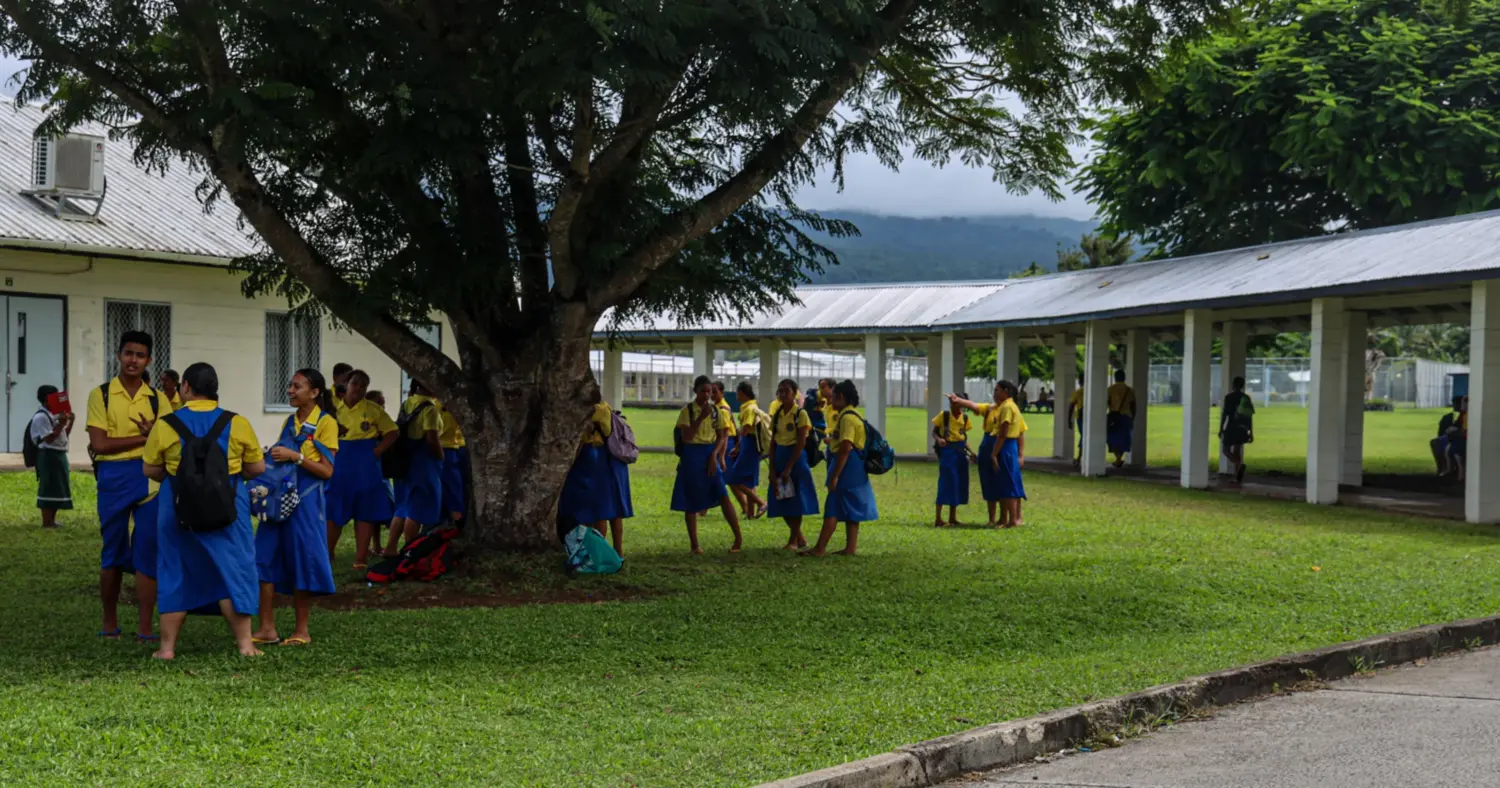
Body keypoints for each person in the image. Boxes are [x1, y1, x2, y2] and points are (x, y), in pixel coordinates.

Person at [141, 363, 266, 659]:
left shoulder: (166, 423)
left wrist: (181, 479)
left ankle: (167, 648)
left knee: (174, 569)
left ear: (185, 387)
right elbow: (257, 467)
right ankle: (246, 645)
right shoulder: (237, 423)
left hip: (177, 505)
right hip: (228, 505)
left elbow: (150, 468)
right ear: (215, 390)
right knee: (235, 570)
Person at [87, 330, 170, 642]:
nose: (133, 360)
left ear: (148, 360)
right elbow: (100, 444)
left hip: (149, 476)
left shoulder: (158, 399)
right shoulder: (102, 394)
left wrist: (154, 439)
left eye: (140, 355)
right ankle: (109, 622)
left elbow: (167, 443)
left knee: (148, 549)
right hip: (112, 477)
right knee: (112, 552)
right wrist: (146, 437)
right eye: (128, 353)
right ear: (118, 355)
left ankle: (146, 627)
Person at [253, 368, 339, 647]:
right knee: (264, 558)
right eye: (290, 385)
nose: (290, 390)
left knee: (302, 559)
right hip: (279, 501)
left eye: (297, 386)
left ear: (315, 393)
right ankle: (267, 627)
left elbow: (327, 472)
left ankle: (302, 630)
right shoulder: (289, 422)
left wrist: (297, 456)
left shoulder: (326, 424)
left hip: (307, 501)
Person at [327, 369, 398, 571]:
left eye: (363, 385)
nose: (358, 388)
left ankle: (360, 557)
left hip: (365, 461)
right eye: (355, 383)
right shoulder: (333, 407)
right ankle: (328, 552)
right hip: (340, 459)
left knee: (365, 509)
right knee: (335, 507)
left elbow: (392, 431)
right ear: (347, 384)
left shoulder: (373, 409)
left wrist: (377, 450)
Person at [803, 380, 877, 557]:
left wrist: (835, 475)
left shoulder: (847, 418)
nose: (830, 399)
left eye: (833, 396)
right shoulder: (853, 415)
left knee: (833, 505)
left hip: (847, 465)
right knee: (850, 506)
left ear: (841, 397)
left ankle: (820, 548)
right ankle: (850, 547)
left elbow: (845, 448)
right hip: (855, 465)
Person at [670, 375, 744, 554]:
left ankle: (738, 538)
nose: (706, 395)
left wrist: (715, 455)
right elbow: (686, 437)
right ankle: (694, 544)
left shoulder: (716, 411)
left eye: (709, 391)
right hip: (691, 455)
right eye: (703, 391)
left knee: (723, 494)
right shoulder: (687, 411)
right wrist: (701, 418)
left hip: (709, 454)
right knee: (691, 500)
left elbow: (722, 435)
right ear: (695, 391)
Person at [951, 381, 1026, 528]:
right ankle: (998, 519)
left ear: (1005, 391)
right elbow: (974, 405)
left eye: (997, 390)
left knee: (1008, 482)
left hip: (1002, 446)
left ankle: (1011, 519)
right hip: (991, 445)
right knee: (992, 482)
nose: (994, 392)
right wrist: (958, 400)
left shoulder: (1007, 407)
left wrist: (1018, 455)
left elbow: (1010, 433)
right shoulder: (994, 408)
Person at [384, 380, 444, 555]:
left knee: (403, 505)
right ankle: (411, 549)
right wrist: (441, 456)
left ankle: (391, 547)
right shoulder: (429, 408)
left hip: (403, 458)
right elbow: (432, 438)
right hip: (422, 459)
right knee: (418, 506)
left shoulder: (407, 403)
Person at [559, 389, 621, 539]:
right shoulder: (604, 408)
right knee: (599, 507)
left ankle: (585, 545)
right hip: (597, 456)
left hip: (581, 456)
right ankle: (599, 546)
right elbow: (607, 432)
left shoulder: (572, 409)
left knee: (581, 505)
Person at [767, 379, 819, 549]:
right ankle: (800, 537)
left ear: (795, 392)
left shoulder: (800, 414)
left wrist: (789, 467)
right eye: (780, 391)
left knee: (795, 500)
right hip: (780, 456)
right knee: (780, 498)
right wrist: (772, 467)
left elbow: (801, 442)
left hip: (796, 458)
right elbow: (773, 441)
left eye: (786, 391)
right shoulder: (777, 414)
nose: (783, 394)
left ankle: (793, 540)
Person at [30, 384, 74, 528]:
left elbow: (62, 436)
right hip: (48, 455)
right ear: (47, 399)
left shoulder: (53, 415)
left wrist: (69, 422)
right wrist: (61, 424)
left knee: (58, 486)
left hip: (59, 453)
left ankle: (52, 519)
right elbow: (48, 439)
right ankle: (46, 521)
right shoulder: (41, 417)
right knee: (49, 485)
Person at [727, 382, 768, 520]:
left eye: (737, 392)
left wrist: (738, 445)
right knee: (749, 481)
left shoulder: (749, 408)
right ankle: (750, 513)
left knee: (735, 478)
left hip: (749, 445)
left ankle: (762, 502)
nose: (736, 395)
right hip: (750, 444)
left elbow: (746, 428)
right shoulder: (751, 406)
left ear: (743, 393)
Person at [931, 392, 972, 527]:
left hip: (960, 453)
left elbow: (964, 438)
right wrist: (939, 439)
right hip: (948, 452)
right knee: (945, 482)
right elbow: (934, 432)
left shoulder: (964, 418)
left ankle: (952, 517)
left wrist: (972, 453)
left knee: (957, 483)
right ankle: (938, 518)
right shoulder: (944, 416)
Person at [437, 399, 469, 526]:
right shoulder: (437, 405)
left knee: (455, 487)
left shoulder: (437, 404)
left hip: (455, 446)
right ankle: (456, 521)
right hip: (448, 448)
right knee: (454, 488)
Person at [1219, 376, 1256, 484]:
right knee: (1237, 450)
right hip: (1243, 428)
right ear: (1242, 385)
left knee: (1226, 450)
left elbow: (1225, 414)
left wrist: (1221, 429)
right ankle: (1237, 477)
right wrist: (1251, 432)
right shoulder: (1246, 398)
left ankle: (1239, 465)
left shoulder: (1229, 397)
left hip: (1231, 427)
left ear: (1233, 385)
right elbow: (1250, 416)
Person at [1106, 370, 1136, 468]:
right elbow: (1133, 405)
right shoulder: (1129, 390)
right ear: (1124, 377)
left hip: (1113, 416)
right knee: (1124, 439)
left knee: (1111, 437)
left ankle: (1118, 458)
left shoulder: (1110, 389)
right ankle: (1119, 459)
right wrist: (1133, 417)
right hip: (1126, 416)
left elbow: (1107, 402)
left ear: (1115, 378)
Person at [1432, 396, 1464, 477]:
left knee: (1439, 444)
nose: (1453, 406)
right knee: (1435, 442)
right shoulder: (1461, 415)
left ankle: (1447, 469)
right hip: (1454, 437)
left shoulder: (1464, 415)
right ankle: (1442, 467)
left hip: (1458, 438)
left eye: (1455, 404)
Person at [1068, 374, 1084, 466]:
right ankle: (1080, 457)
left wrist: (1069, 420)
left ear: (1079, 381)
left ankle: (1079, 457)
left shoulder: (1077, 392)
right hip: (1091, 417)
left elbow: (1071, 406)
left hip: (1080, 417)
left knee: (1083, 436)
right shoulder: (1093, 391)